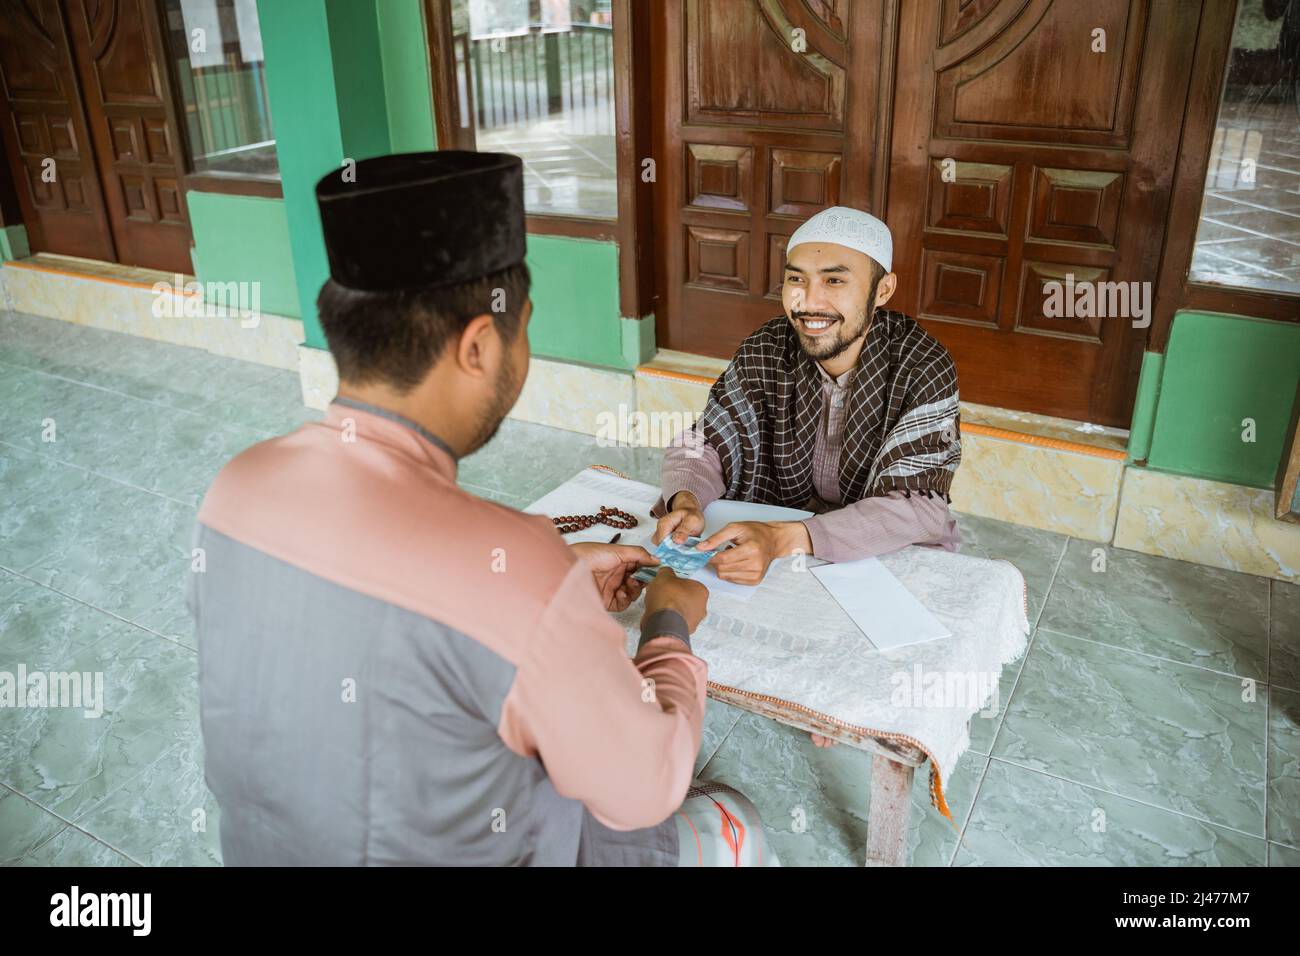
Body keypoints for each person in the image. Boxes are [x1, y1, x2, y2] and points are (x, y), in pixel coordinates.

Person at [190, 150, 775, 865]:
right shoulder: (517, 571)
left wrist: (548, 587)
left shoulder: (236, 488)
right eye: (522, 327)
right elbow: (647, 786)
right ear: (478, 344)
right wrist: (668, 623)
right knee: (726, 813)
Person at [651, 206, 963, 748]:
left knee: (872, 683)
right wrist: (686, 497)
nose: (809, 302)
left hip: (877, 547)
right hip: (776, 532)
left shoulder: (921, 364)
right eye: (797, 279)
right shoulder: (769, 346)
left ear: (882, 290)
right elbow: (706, 439)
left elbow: (918, 506)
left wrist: (786, 538)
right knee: (699, 610)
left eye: (835, 281)